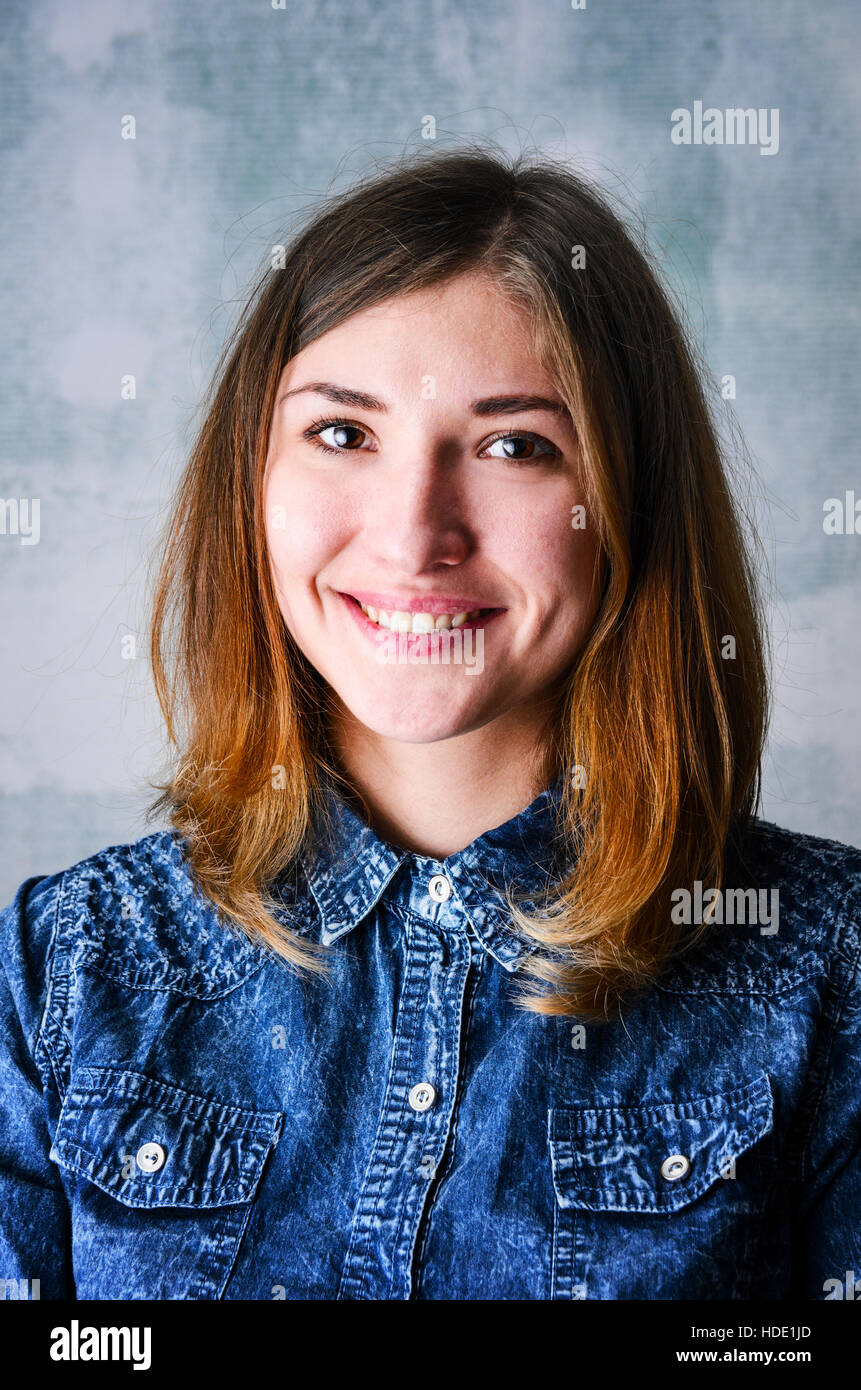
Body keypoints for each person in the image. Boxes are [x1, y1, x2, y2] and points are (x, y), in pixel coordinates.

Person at [1, 146, 859, 1301]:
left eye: (515, 444)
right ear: (248, 484)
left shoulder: (833, 973)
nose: (416, 536)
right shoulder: (60, 968)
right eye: (343, 434)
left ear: (629, 499)